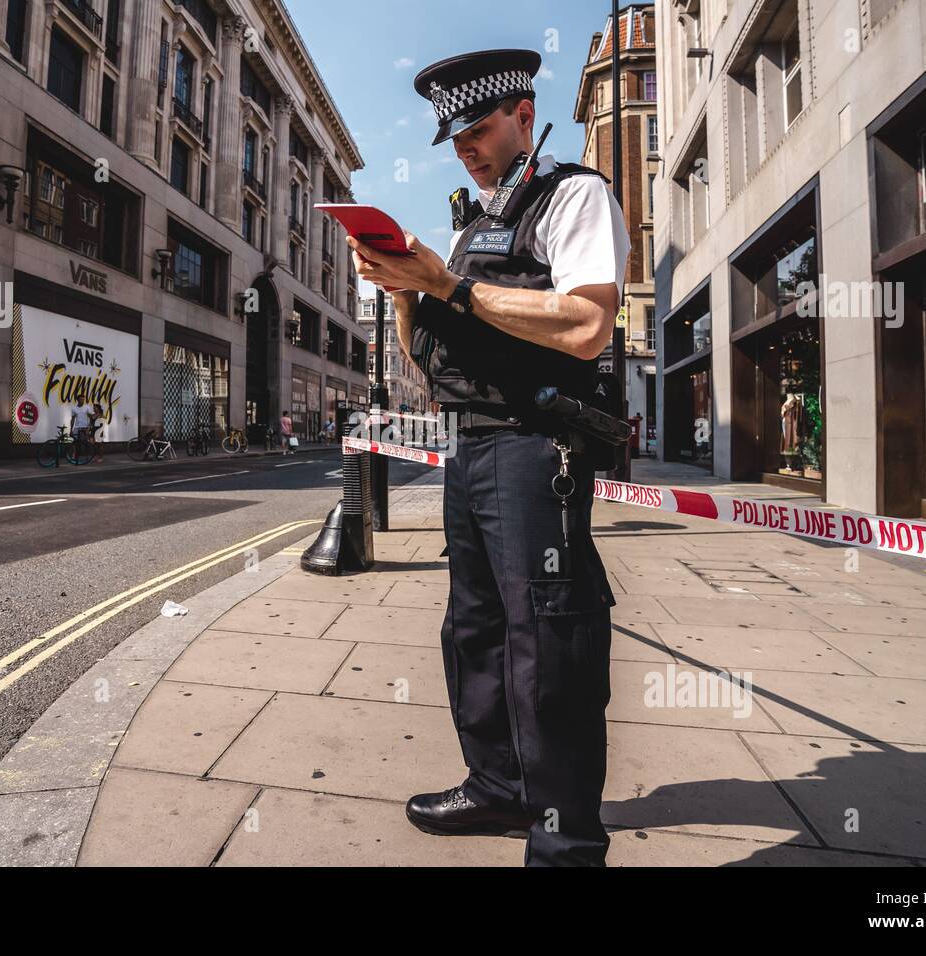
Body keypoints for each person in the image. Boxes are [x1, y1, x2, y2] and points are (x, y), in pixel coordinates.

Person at [348, 48, 629, 867]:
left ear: (525, 118)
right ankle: (496, 785)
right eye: (456, 138)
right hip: (469, 447)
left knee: (550, 643)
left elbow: (586, 325)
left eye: (480, 129)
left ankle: (566, 840)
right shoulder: (472, 225)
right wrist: (404, 291)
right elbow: (423, 363)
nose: (468, 148)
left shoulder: (572, 195)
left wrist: (452, 287)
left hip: (535, 448)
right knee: (474, 630)